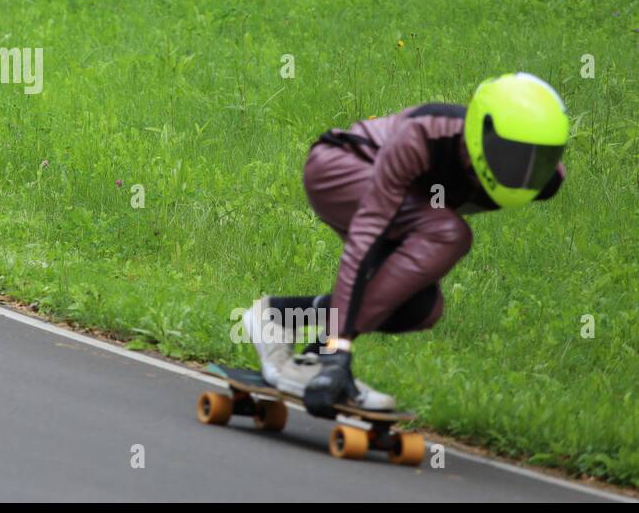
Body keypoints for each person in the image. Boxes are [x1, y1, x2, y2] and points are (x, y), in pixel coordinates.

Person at [243, 73, 569, 416]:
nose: (526, 170)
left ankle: (281, 316)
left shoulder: (545, 179)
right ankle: (323, 352)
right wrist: (339, 351)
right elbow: (366, 238)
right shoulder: (423, 135)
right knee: (449, 233)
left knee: (421, 308)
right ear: (481, 133)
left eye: (540, 158)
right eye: (514, 155)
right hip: (340, 166)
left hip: (414, 204)